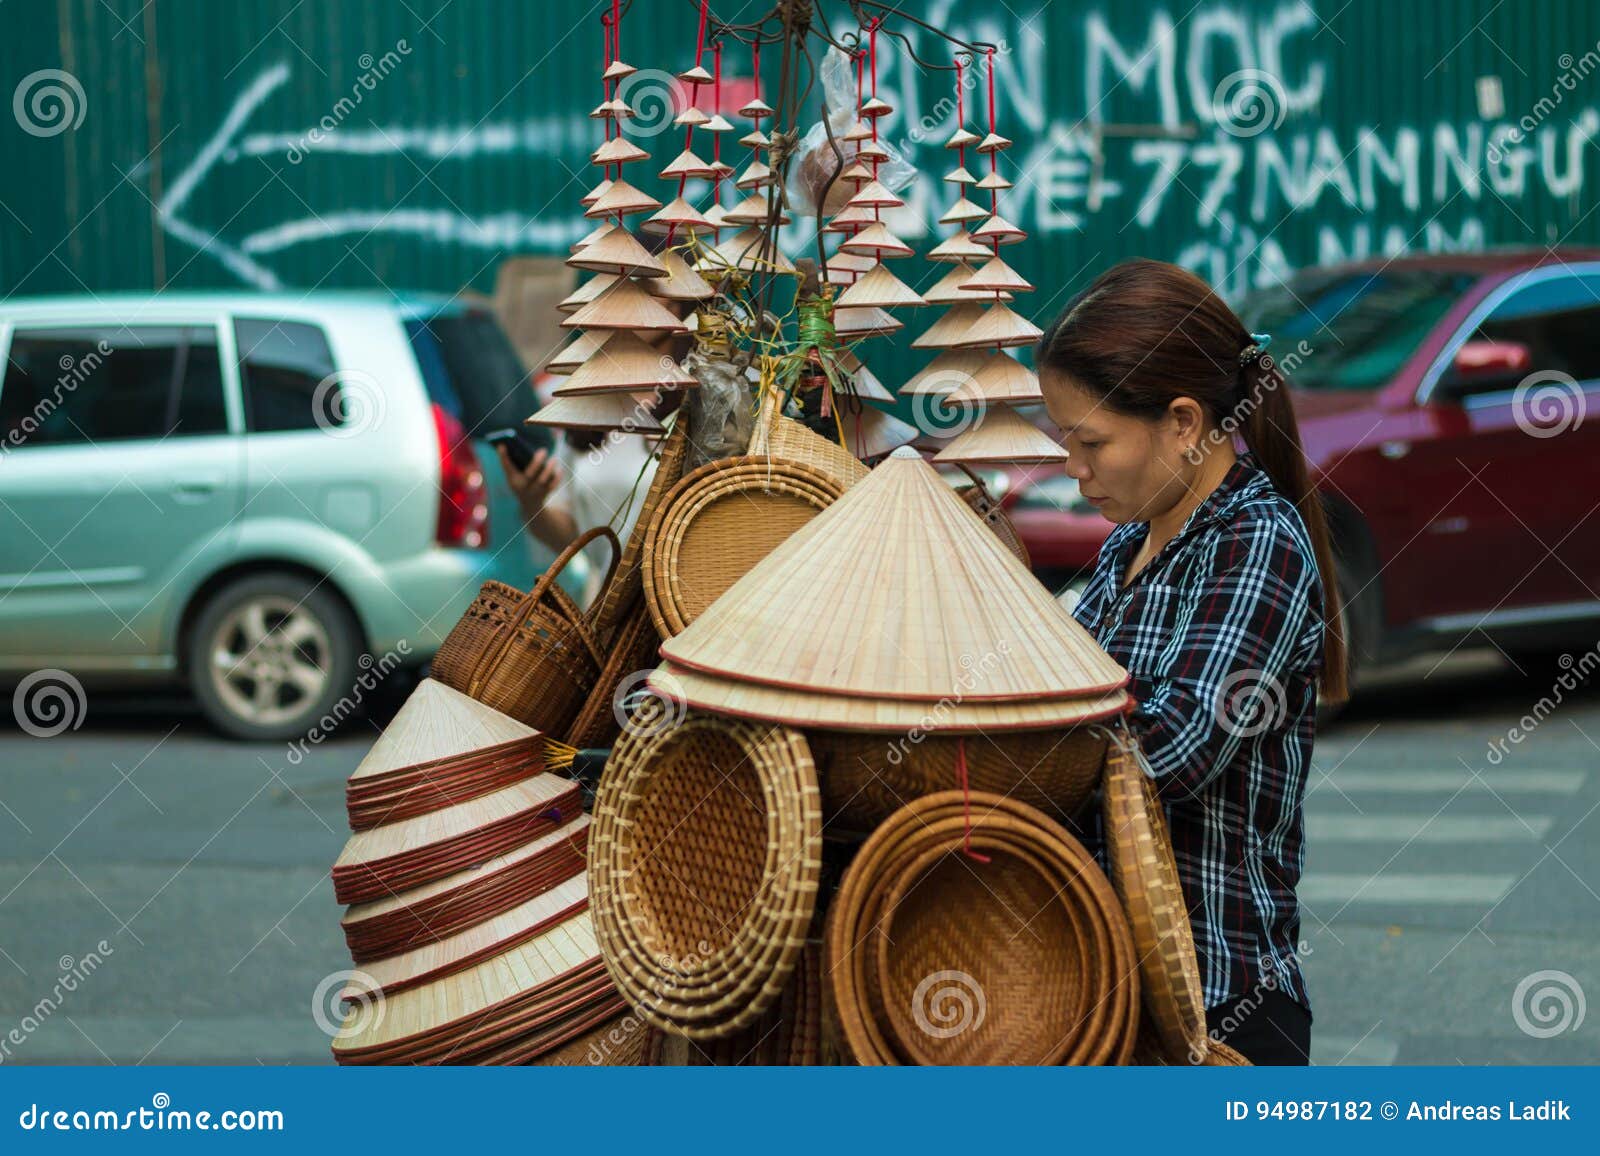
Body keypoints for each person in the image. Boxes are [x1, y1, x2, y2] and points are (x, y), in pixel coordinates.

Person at [1035, 257, 1349, 1066]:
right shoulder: (1125, 550)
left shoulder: (1258, 542)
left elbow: (1167, 750)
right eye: (1065, 443)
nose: (1075, 471)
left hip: (1220, 1006)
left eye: (1092, 442)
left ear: (1182, 421)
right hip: (1113, 998)